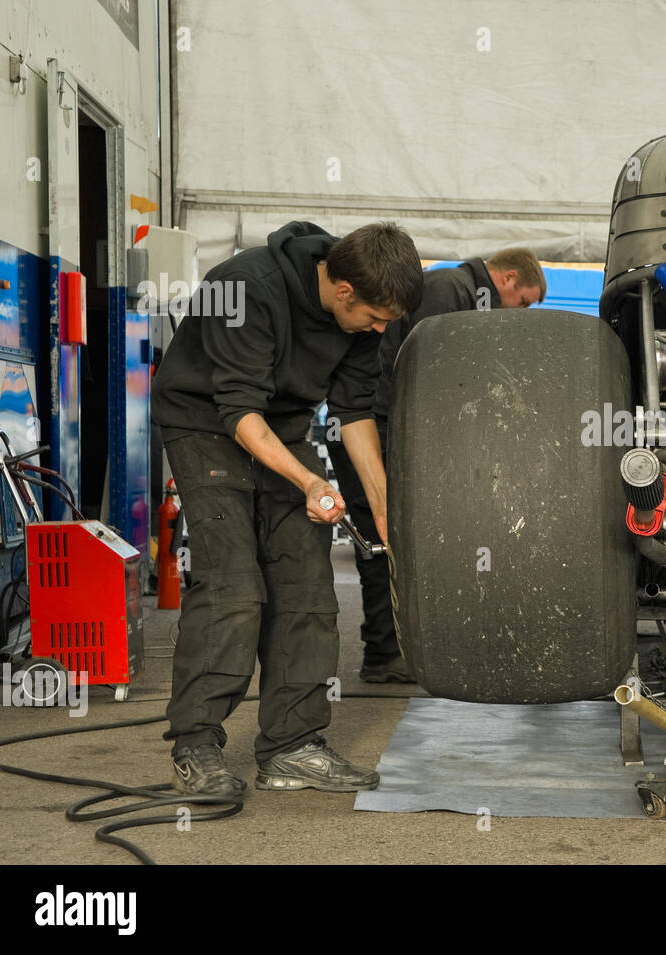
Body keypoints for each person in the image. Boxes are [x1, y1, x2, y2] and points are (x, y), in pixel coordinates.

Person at [151, 220, 424, 795]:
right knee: (234, 585)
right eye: (375, 319)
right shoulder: (246, 288)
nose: (379, 330)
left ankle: (291, 746)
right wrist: (308, 481)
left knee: (306, 586)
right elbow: (239, 413)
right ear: (343, 291)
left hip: (282, 426)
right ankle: (196, 743)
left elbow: (354, 414)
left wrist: (384, 510)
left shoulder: (366, 311)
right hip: (206, 424)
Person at [328, 249, 545, 682]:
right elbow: (432, 371)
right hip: (377, 423)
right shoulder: (450, 291)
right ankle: (384, 653)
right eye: (522, 301)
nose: (518, 313)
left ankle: (398, 648)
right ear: (508, 277)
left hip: (384, 418)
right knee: (384, 534)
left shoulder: (458, 290)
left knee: (400, 536)